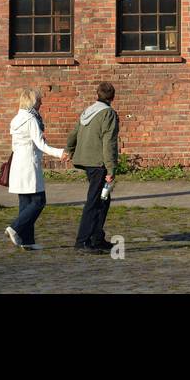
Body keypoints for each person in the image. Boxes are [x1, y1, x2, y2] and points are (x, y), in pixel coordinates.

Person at [6, 87, 67, 251]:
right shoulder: (31, 120)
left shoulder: (16, 119)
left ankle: (27, 241)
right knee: (39, 201)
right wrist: (60, 153)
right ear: (32, 102)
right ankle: (15, 227)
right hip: (29, 164)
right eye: (39, 101)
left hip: (18, 164)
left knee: (25, 204)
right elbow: (41, 144)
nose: (41, 103)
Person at [65, 81, 119, 254]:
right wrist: (111, 169)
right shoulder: (108, 114)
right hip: (98, 162)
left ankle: (97, 238)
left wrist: (70, 148)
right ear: (112, 97)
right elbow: (108, 142)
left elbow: (74, 132)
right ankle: (82, 241)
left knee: (103, 199)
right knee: (94, 201)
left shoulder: (88, 110)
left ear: (97, 94)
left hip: (87, 160)